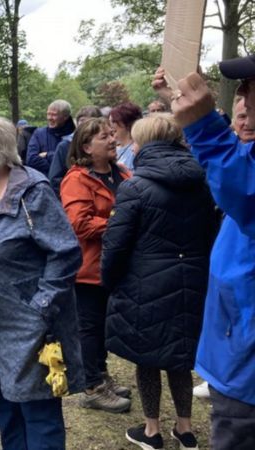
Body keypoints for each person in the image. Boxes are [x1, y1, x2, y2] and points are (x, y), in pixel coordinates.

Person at [0, 117, 84, 449]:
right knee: (6, 412)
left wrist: (41, 306)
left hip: (31, 330)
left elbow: (66, 252)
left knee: (39, 416)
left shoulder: (31, 192)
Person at [153, 57, 255, 449]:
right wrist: (184, 109)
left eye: (250, 85)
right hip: (235, 355)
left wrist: (204, 127)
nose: (241, 97)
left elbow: (247, 192)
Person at [101, 114, 216, 450]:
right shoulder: (203, 182)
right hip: (193, 280)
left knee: (148, 358)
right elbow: (211, 233)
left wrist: (109, 280)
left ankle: (152, 431)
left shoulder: (135, 186)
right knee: (180, 355)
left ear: (146, 142)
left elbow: (116, 243)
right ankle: (185, 429)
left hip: (145, 284)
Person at [60, 118, 133, 414]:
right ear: (87, 147)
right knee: (89, 328)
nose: (112, 139)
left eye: (112, 134)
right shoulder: (76, 180)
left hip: (116, 265)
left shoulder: (122, 173)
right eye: (104, 136)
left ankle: (101, 376)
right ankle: (91, 387)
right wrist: (121, 223)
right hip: (89, 268)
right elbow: (79, 223)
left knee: (104, 325)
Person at [193, 94, 254, 399]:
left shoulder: (241, 168)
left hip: (243, 352)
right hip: (231, 339)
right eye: (241, 115)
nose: (248, 122)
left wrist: (200, 122)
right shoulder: (241, 158)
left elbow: (246, 192)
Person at [48, 105, 104, 197]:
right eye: (82, 121)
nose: (85, 126)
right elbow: (54, 179)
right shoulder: (65, 146)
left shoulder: (104, 146)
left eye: (90, 123)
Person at [26, 100, 76, 174]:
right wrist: (56, 167)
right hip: (45, 179)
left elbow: (74, 160)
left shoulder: (74, 135)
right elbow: (31, 159)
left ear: (65, 116)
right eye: (48, 114)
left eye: (54, 115)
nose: (49, 118)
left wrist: (48, 155)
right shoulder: (39, 133)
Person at [109, 102, 143, 171]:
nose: (110, 126)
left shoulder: (136, 150)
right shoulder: (113, 149)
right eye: (109, 122)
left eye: (113, 121)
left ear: (127, 123)